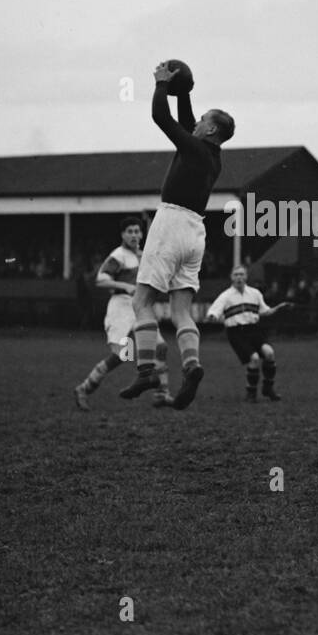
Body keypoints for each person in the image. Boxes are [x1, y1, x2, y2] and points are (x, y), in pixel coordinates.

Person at [120, 60, 234, 410]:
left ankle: (145, 371)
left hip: (170, 224)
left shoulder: (196, 147)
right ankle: (191, 364)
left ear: (211, 131)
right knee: (181, 311)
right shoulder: (212, 156)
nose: (197, 121)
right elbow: (186, 122)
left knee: (141, 303)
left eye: (204, 121)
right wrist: (184, 91)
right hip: (195, 233)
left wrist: (160, 85)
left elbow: (162, 119)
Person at [73, 217, 170, 410]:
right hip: (121, 307)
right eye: (130, 231)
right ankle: (84, 388)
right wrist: (125, 286)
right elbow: (101, 279)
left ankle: (162, 393)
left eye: (137, 231)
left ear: (142, 234)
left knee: (160, 346)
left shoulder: (143, 256)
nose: (134, 235)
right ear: (122, 235)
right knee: (121, 355)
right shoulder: (118, 255)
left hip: (140, 306)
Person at [205, 265, 291, 401]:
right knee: (255, 358)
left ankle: (268, 388)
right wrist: (212, 316)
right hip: (236, 333)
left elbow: (265, 311)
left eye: (241, 274)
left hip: (254, 330)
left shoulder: (255, 293)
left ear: (246, 276)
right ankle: (251, 393)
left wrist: (278, 308)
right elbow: (213, 311)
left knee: (269, 353)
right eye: (236, 275)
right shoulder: (226, 296)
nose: (239, 277)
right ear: (231, 277)